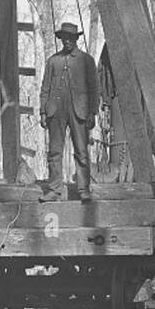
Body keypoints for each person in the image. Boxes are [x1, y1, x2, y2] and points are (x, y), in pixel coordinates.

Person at [39, 21, 100, 203]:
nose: (67, 41)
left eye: (71, 38)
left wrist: (92, 112)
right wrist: (43, 112)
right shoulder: (53, 61)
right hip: (55, 111)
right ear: (61, 39)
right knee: (54, 152)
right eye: (64, 38)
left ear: (76, 39)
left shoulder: (86, 60)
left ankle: (83, 190)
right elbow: (45, 88)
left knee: (81, 151)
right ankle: (54, 190)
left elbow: (94, 88)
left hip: (79, 111)